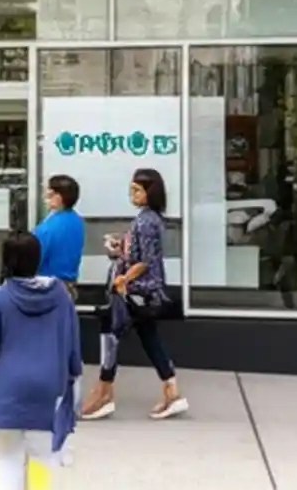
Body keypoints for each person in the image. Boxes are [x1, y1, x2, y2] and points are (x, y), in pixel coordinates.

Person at [0, 232, 81, 490]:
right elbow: (72, 350)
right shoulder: (61, 297)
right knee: (50, 466)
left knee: (8, 466)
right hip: (48, 394)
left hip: (5, 396)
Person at [80, 167, 188, 421]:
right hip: (143, 291)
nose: (133, 194)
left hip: (137, 291)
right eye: (132, 189)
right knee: (148, 337)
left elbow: (147, 261)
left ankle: (104, 392)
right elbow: (140, 256)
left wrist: (124, 278)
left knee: (110, 332)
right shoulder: (149, 219)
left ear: (151, 192)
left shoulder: (147, 221)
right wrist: (121, 250)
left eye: (137, 190)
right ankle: (171, 390)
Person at [33, 175, 85, 300]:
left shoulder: (47, 229)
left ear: (58, 197)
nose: (44, 197)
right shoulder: (77, 221)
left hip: (47, 289)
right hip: (69, 287)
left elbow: (34, 260)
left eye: (49, 194)